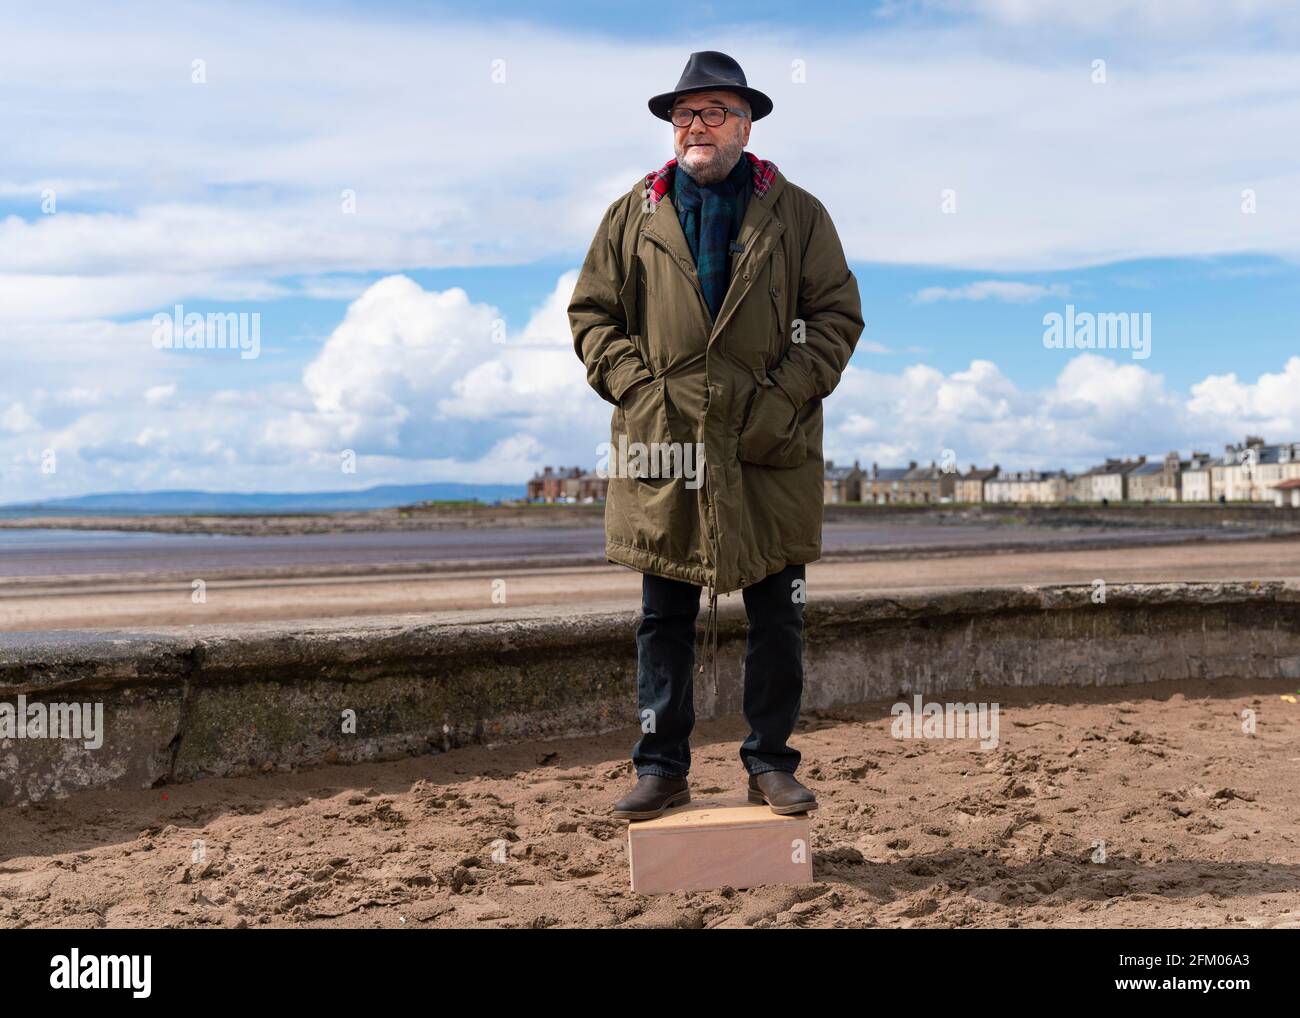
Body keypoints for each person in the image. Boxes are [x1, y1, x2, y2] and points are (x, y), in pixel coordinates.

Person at [568, 50, 864, 820]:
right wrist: (640, 389)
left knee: (779, 616)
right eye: (683, 115)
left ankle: (771, 762)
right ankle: (660, 766)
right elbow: (592, 317)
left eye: (712, 113)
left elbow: (835, 317)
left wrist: (783, 398)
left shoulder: (798, 214)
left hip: (770, 451)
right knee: (661, 619)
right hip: (662, 449)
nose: (694, 127)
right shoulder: (631, 214)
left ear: (746, 123)